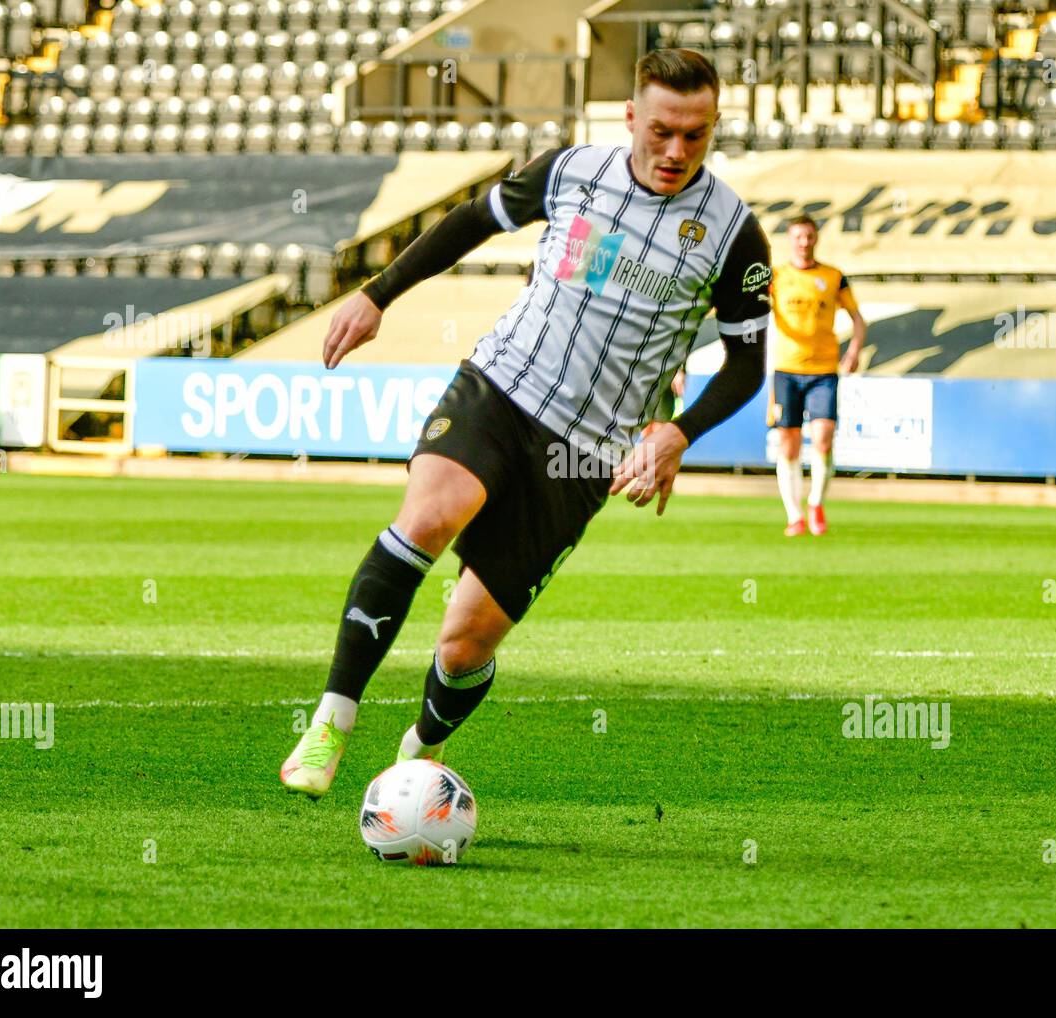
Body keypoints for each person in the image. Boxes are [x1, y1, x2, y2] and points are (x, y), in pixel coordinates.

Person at [279, 49, 773, 796]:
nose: (677, 151)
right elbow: (472, 221)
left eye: (696, 135)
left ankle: (420, 748)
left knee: (465, 645)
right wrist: (378, 294)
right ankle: (330, 724)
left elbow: (747, 363)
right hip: (501, 388)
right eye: (663, 130)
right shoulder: (571, 172)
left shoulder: (734, 234)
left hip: (584, 454)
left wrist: (676, 432)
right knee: (430, 515)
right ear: (631, 117)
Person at [768, 214, 866, 536]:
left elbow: (858, 320)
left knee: (823, 438)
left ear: (816, 238)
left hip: (823, 370)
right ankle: (794, 515)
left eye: (809, 236)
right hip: (786, 369)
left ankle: (816, 503)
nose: (804, 242)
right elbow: (752, 310)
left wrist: (853, 351)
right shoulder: (776, 276)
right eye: (798, 236)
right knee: (789, 443)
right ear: (790, 239)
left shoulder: (833, 276)